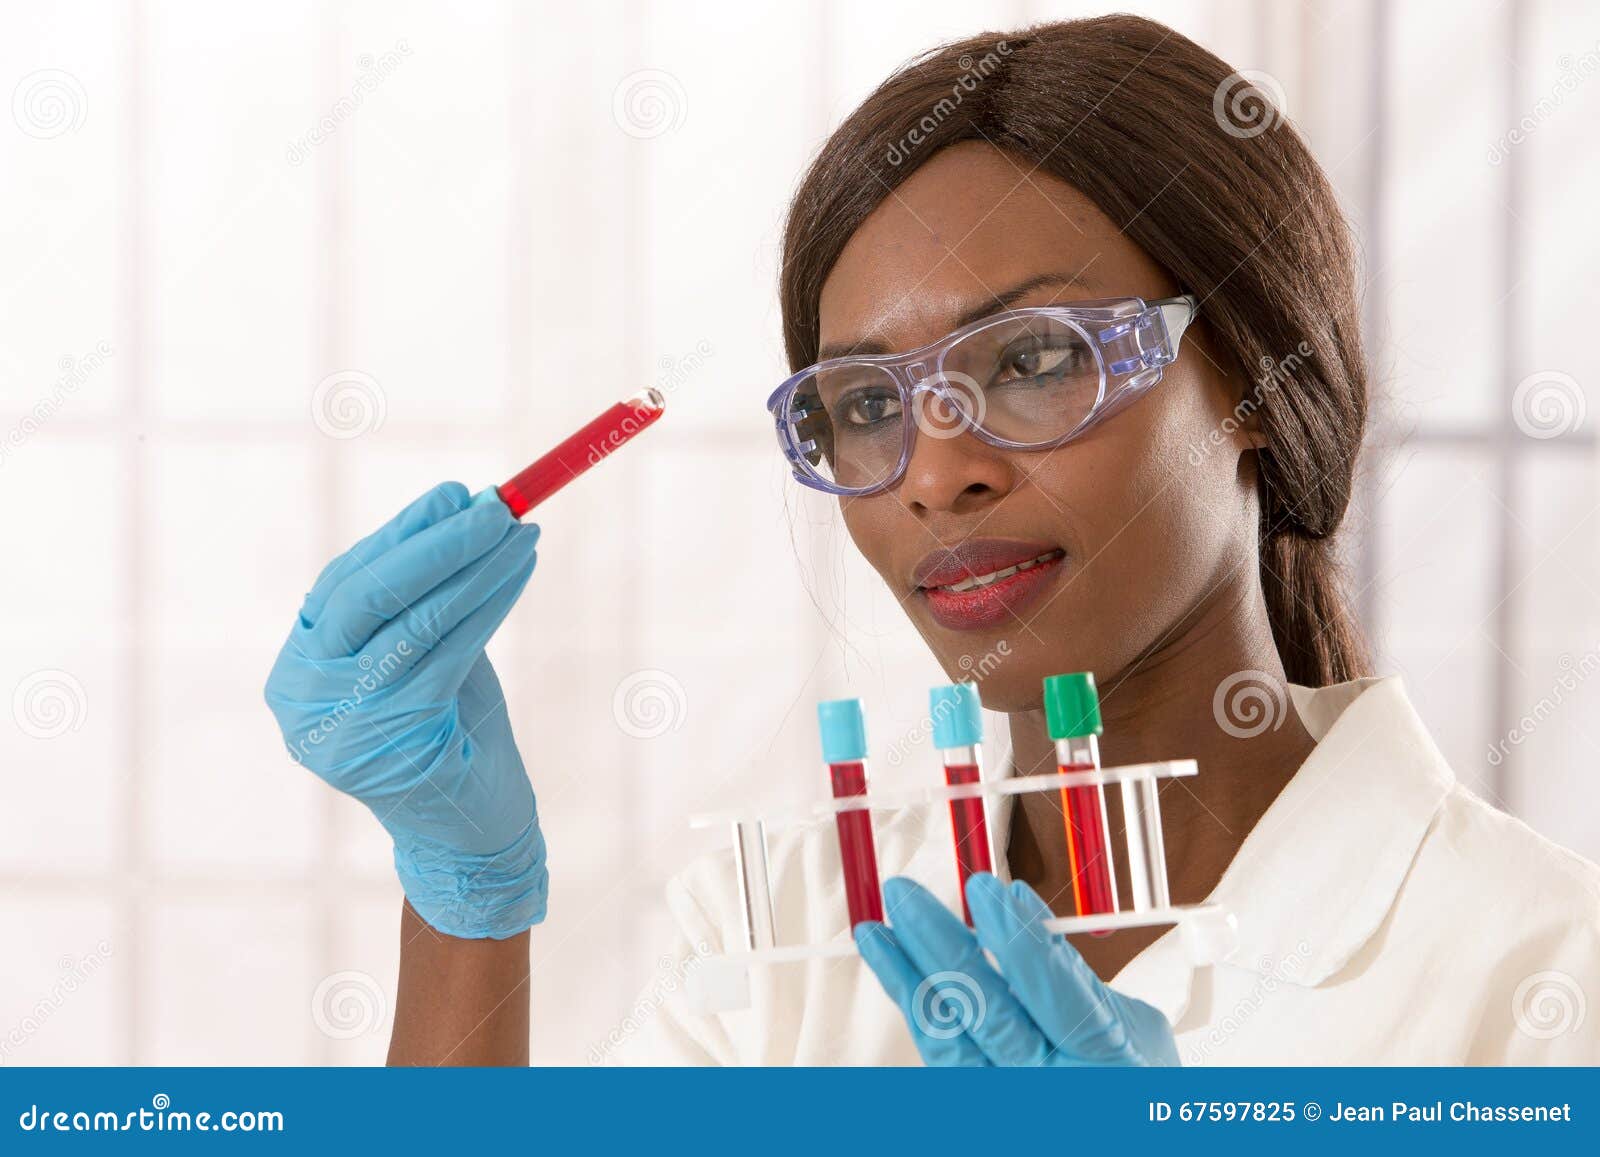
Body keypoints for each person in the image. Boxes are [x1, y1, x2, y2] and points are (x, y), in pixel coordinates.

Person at [264, 15, 1600, 1066]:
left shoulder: (1543, 971)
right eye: (861, 406)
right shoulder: (787, 919)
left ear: (1255, 375)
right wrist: (467, 901)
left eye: (1031, 358)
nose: (937, 475)